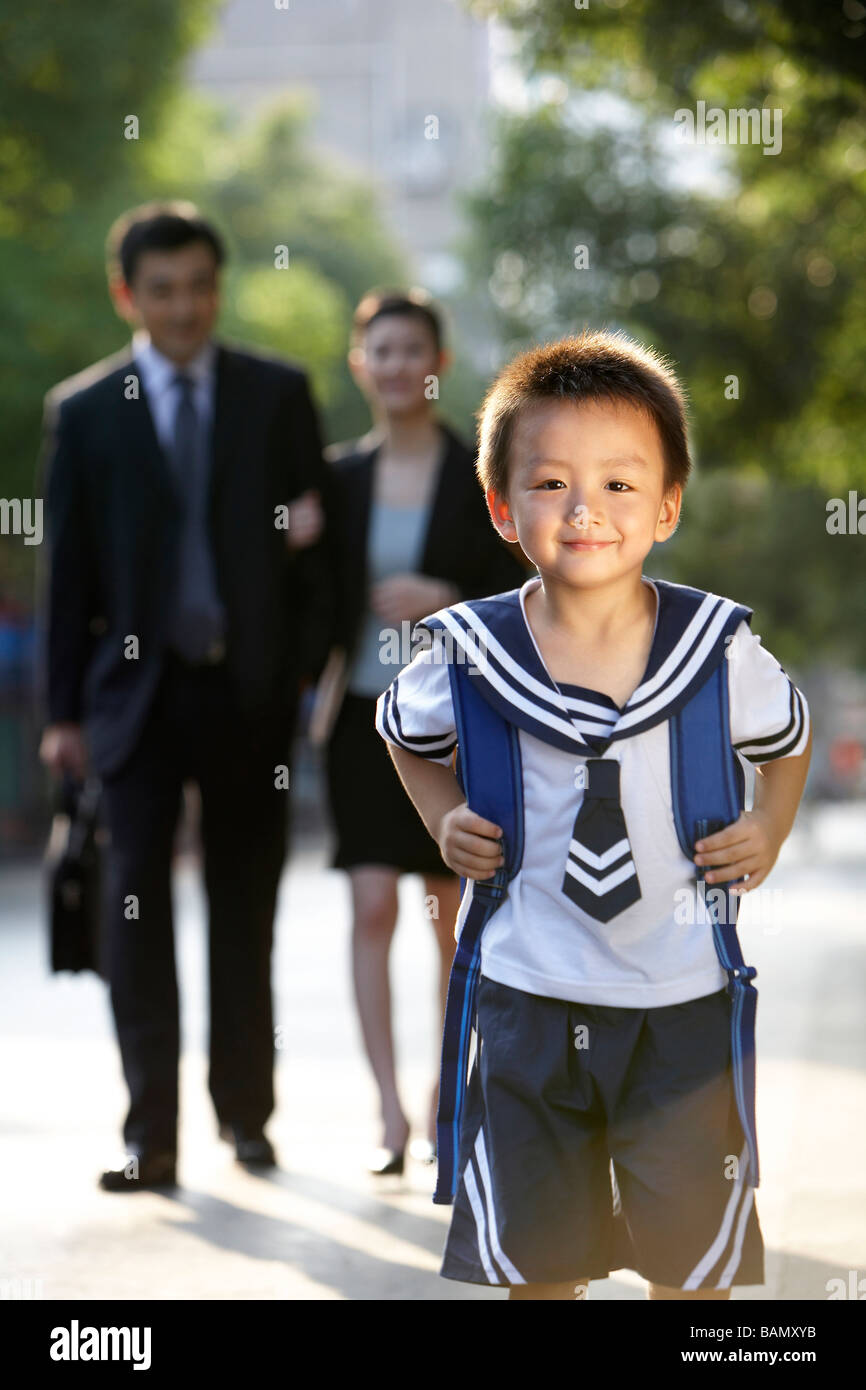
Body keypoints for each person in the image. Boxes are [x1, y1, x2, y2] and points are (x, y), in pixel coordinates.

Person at [374, 330, 811, 1298]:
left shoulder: (715, 648)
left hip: (681, 1004)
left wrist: (769, 826)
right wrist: (441, 813)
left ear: (666, 505)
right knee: (538, 1264)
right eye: (548, 483)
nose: (584, 510)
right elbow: (398, 726)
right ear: (499, 506)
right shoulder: (468, 652)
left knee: (688, 1266)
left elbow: (787, 739)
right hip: (529, 994)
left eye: (619, 484)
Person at [36, 201, 335, 1191]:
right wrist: (62, 715)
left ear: (217, 287)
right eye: (161, 290)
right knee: (134, 917)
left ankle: (245, 1118)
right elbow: (67, 571)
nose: (183, 307)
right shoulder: (82, 412)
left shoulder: (277, 394)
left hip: (250, 696)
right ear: (129, 295)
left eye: (199, 286)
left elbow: (313, 552)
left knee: (244, 913)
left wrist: (297, 668)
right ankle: (148, 1136)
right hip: (134, 698)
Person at [323, 289, 526, 1175]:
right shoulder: (337, 479)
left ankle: (452, 1095)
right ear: (360, 364)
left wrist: (444, 600)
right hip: (360, 726)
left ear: (438, 365)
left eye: (415, 350)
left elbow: (515, 590)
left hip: (455, 729)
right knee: (371, 907)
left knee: (449, 915)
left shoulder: (476, 476)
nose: (399, 365)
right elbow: (306, 604)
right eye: (383, 351)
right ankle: (387, 1112)